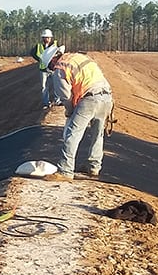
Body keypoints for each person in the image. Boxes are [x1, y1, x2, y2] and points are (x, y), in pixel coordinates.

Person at [39, 45, 113, 181]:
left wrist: (70, 111)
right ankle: (93, 166)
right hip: (107, 96)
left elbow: (65, 96)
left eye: (49, 65)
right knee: (98, 133)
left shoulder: (60, 68)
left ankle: (65, 170)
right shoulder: (80, 57)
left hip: (89, 99)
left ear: (52, 60)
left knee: (72, 133)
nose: (50, 68)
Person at [32, 29, 58, 108]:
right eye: (45, 37)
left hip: (53, 69)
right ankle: (46, 103)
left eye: (48, 37)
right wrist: (39, 59)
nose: (47, 39)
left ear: (50, 38)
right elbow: (32, 53)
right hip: (43, 70)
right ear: (43, 38)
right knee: (44, 87)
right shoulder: (39, 46)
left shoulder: (55, 45)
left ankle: (57, 101)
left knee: (56, 85)